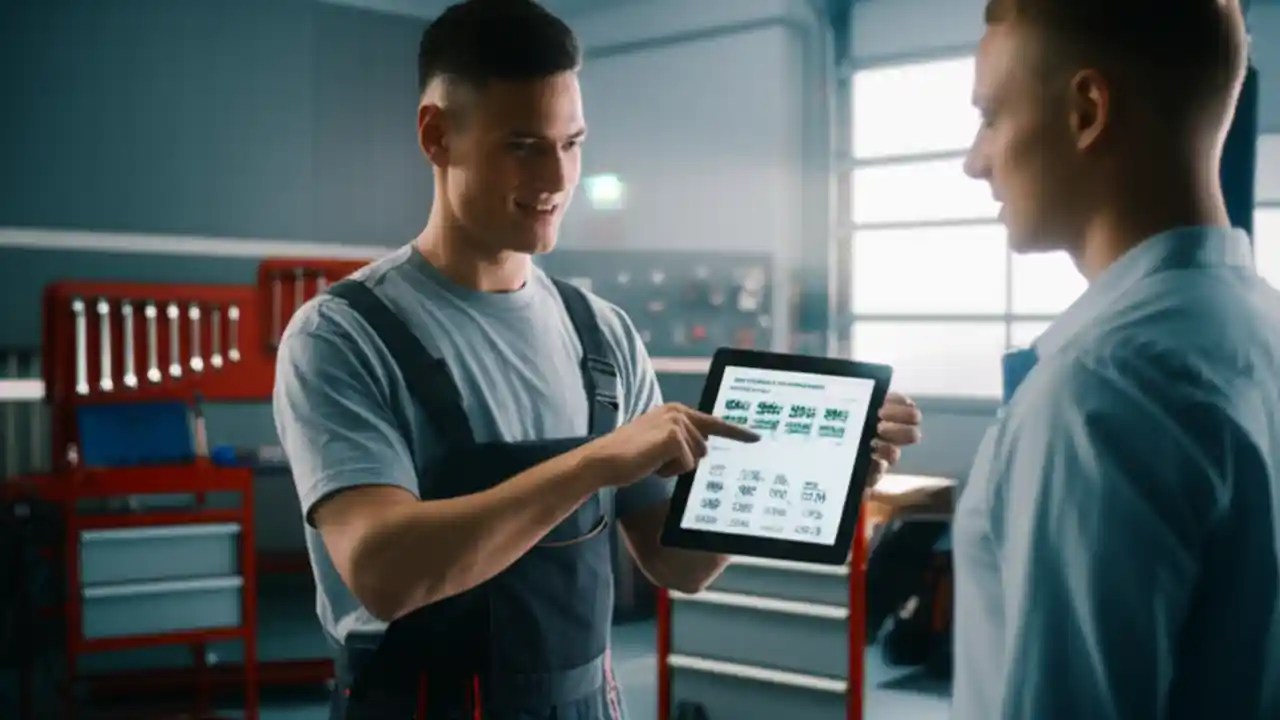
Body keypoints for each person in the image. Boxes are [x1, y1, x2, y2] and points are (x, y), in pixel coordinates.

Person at [271, 1, 924, 718]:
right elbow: (384, 573)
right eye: (523, 145)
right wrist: (597, 462)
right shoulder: (341, 336)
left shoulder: (601, 336)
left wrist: (818, 479)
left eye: (572, 142)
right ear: (437, 135)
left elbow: (680, 565)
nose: (557, 178)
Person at [954, 1, 1280, 718]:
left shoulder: (1096, 394)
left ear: (1087, 110)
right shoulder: (1260, 326)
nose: (974, 161)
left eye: (991, 117)